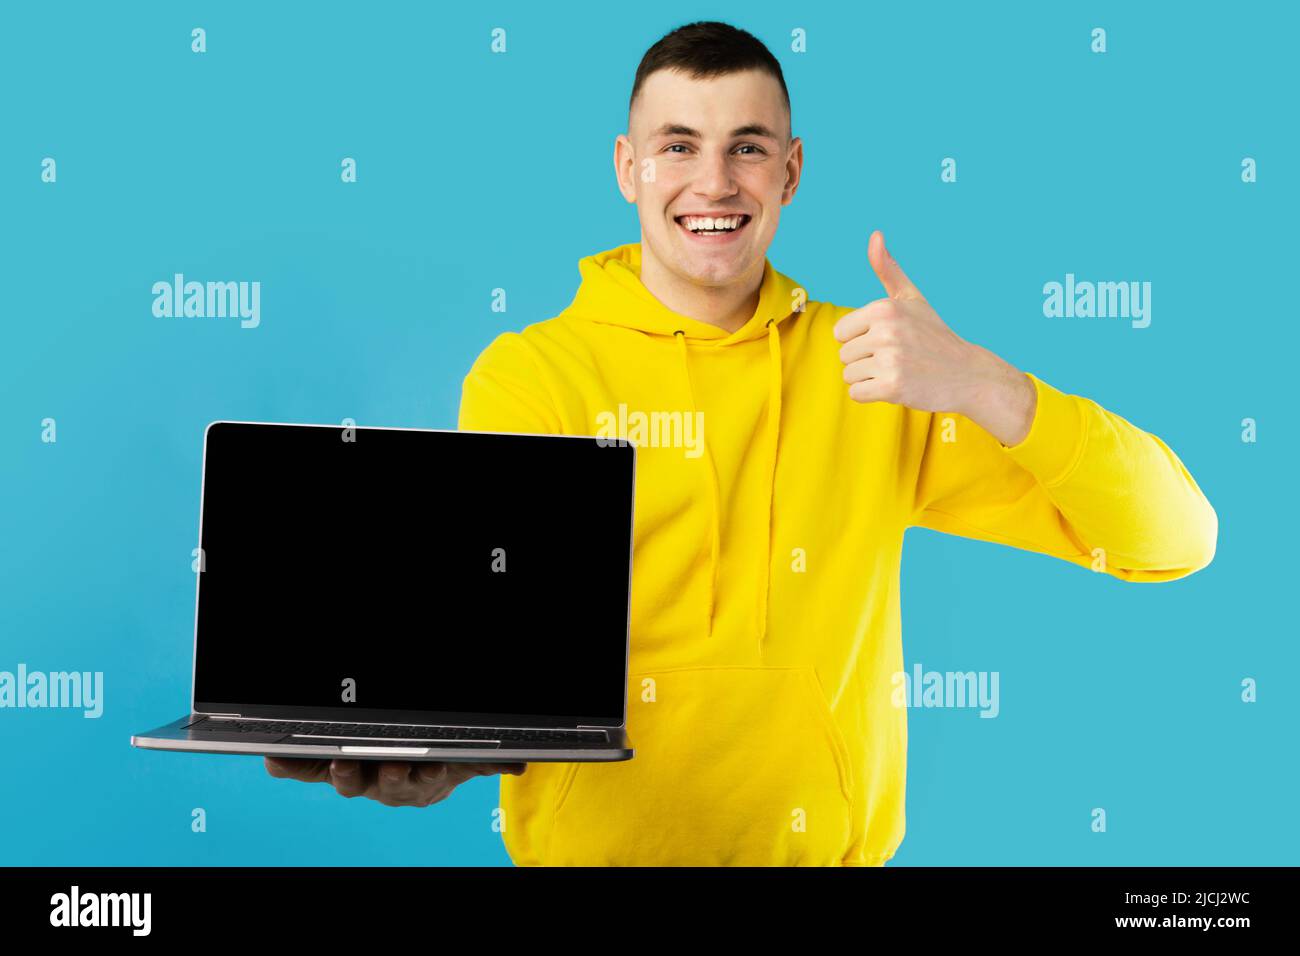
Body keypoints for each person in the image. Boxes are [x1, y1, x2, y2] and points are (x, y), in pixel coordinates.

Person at [270, 20, 1217, 866]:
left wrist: (984, 383)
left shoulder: (882, 369)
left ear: (792, 171)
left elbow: (1174, 540)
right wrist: (454, 758)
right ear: (627, 168)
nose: (713, 183)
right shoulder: (532, 377)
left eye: (748, 148)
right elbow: (504, 646)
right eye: (677, 146)